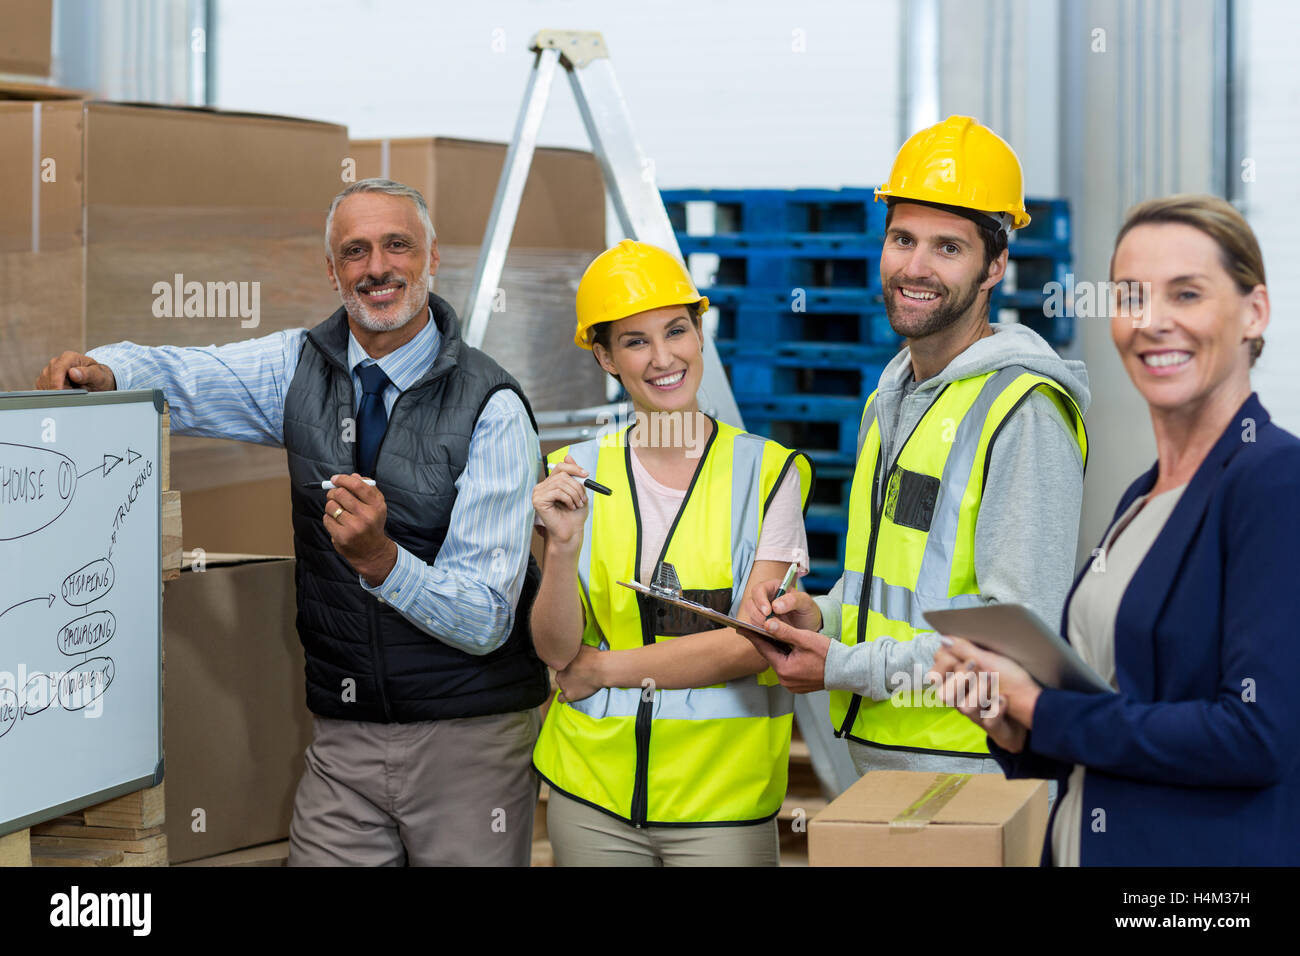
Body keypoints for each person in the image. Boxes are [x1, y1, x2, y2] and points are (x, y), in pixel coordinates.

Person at [34, 178, 549, 866]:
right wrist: (106, 371)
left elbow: (487, 616)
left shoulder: (491, 407)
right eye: (355, 251)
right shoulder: (298, 366)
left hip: (468, 738)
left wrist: (381, 562)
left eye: (397, 245)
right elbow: (188, 376)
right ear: (332, 271)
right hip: (343, 733)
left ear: (432, 258)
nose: (377, 268)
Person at [933, 194, 1300, 866]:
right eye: (1131, 297)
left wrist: (1042, 709)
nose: (1152, 321)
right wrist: (1017, 730)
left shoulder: (1275, 480)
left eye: (1186, 294)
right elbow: (1123, 712)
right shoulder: (1144, 494)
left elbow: (1256, 735)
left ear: (1255, 312)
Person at [744, 116, 1090, 780]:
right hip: (877, 756)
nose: (915, 267)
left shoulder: (1024, 410)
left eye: (948, 248)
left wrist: (841, 666)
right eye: (902, 239)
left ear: (996, 266)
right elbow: (892, 581)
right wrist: (820, 612)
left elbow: (1012, 636)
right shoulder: (891, 397)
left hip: (972, 769)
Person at [529, 240, 812, 866]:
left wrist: (602, 670)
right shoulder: (572, 472)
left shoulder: (770, 473)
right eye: (635, 341)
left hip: (723, 801)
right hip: (591, 793)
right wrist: (562, 549)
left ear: (700, 331)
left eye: (677, 331)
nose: (664, 358)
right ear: (604, 355)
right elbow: (553, 650)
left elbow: (756, 640)